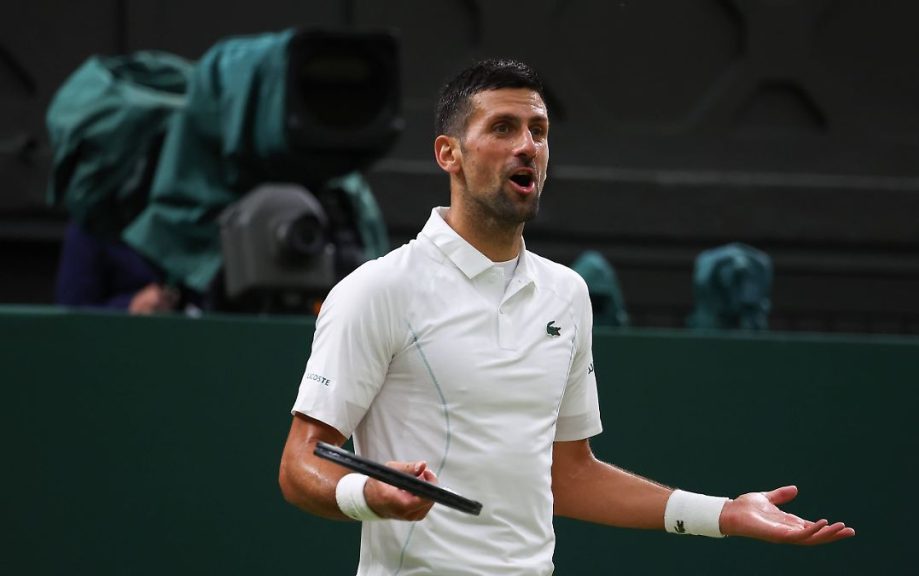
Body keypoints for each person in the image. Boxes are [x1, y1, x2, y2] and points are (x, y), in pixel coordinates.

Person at [278, 58, 855, 575]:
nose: (527, 145)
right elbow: (300, 464)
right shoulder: (377, 289)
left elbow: (569, 474)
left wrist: (724, 514)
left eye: (539, 131)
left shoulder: (568, 294)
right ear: (448, 154)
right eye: (503, 128)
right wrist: (368, 495)